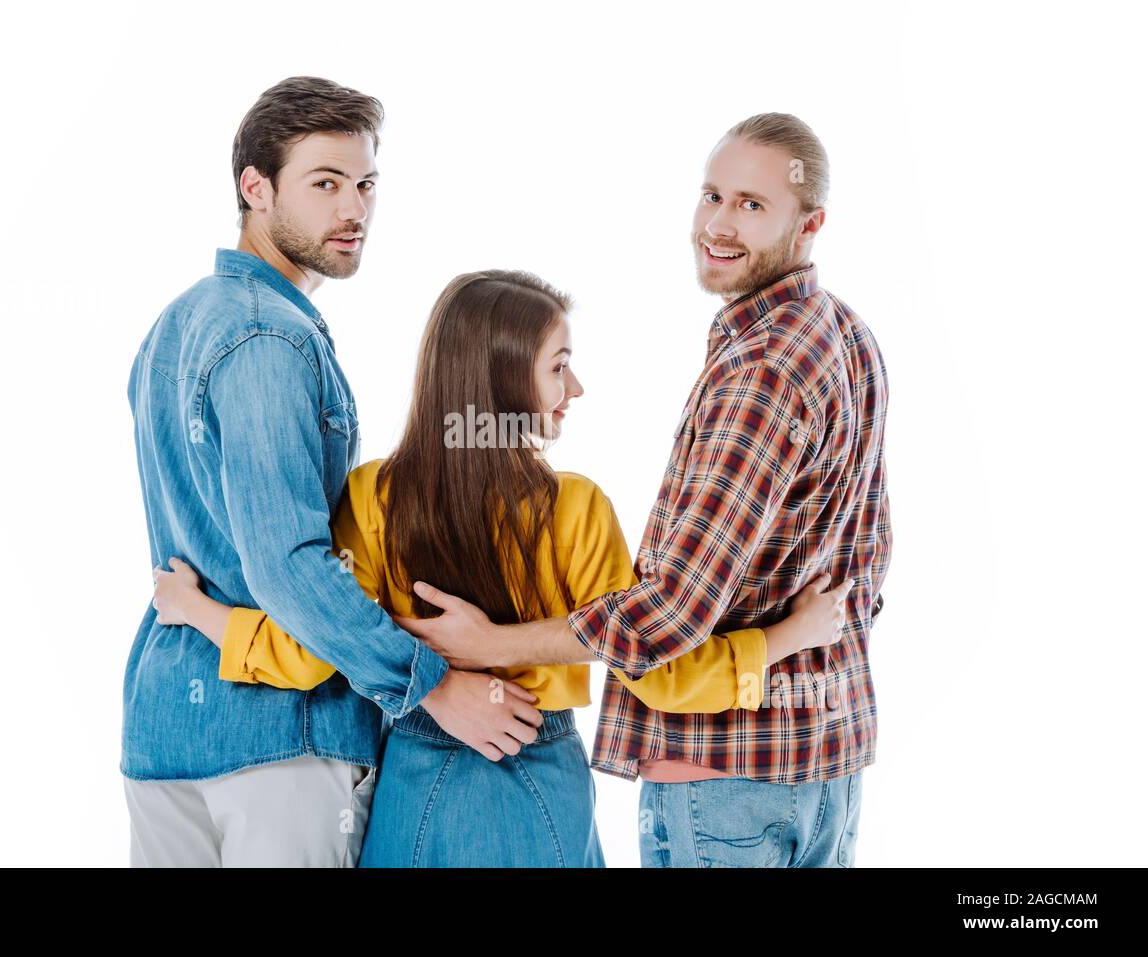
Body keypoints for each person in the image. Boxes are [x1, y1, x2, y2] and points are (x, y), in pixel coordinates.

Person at [152, 269, 852, 867]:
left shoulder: (372, 497)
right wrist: (786, 636)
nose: (574, 387)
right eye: (558, 365)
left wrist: (197, 609)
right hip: (539, 779)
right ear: (504, 381)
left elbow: (311, 654)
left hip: (413, 780)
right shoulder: (574, 508)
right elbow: (660, 671)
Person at [396, 113, 893, 868]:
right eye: (712, 195)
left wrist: (490, 645)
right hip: (828, 766)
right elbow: (868, 556)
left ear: (811, 223)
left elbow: (667, 619)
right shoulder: (845, 334)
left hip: (727, 776)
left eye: (752, 205)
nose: (718, 224)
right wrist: (800, 638)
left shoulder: (758, 372)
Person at [122, 77, 539, 868]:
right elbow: (287, 566)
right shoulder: (269, 338)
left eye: (366, 184)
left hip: (164, 729)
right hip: (281, 741)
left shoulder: (174, 327)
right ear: (255, 188)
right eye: (325, 184)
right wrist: (428, 686)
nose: (354, 210)